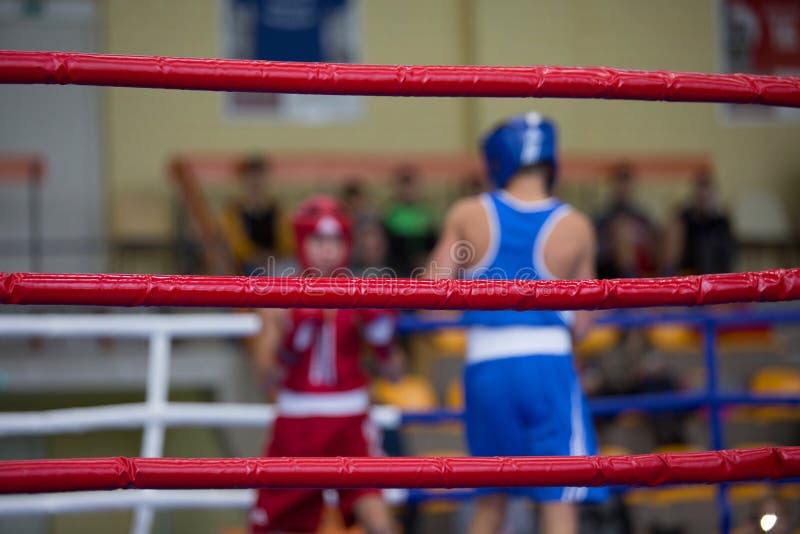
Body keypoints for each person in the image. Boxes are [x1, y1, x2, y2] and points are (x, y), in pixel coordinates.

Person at [426, 112, 606, 534]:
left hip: (485, 367)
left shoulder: (469, 213)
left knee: (490, 501)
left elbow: (432, 299)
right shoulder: (575, 226)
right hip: (547, 367)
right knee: (559, 499)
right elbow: (584, 324)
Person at [249, 195, 400, 534]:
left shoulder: (363, 293)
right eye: (319, 240)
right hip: (297, 425)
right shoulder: (277, 298)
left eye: (336, 240)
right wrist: (291, 342)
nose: (328, 250)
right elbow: (263, 379)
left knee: (380, 523)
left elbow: (395, 374)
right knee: (275, 527)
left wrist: (383, 341)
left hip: (351, 422)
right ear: (303, 242)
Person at [661, 169, 735, 275]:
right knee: (674, 228)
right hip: (687, 270)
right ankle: (668, 278)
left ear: (714, 195)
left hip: (714, 273)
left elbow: (727, 257)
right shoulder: (683, 218)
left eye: (707, 189)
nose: (703, 194)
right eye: (700, 188)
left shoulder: (722, 223)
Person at [594, 162, 656, 279]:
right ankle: (631, 285)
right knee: (621, 228)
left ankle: (668, 279)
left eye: (626, 181)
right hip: (610, 268)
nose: (623, 186)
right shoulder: (601, 216)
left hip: (643, 264)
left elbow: (653, 245)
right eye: (619, 181)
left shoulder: (642, 216)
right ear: (612, 184)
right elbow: (594, 250)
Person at [222, 156, 282, 274]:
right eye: (251, 176)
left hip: (274, 264)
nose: (256, 181)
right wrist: (254, 256)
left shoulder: (276, 209)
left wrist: (272, 257)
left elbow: (286, 243)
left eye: (260, 176)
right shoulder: (234, 211)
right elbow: (233, 244)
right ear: (243, 180)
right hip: (243, 265)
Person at [383, 165, 437, 277]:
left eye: (411, 185)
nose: (408, 190)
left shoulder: (426, 214)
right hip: (395, 270)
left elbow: (433, 245)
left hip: (422, 271)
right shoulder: (390, 213)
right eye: (404, 184)